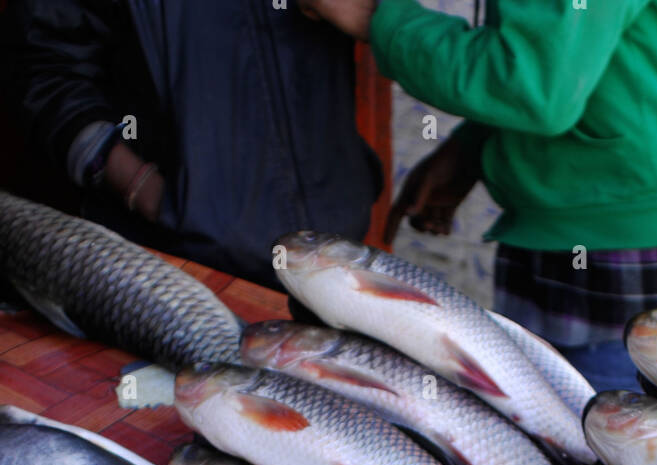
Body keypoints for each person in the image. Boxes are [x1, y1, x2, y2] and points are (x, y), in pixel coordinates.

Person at [300, 0, 657, 393]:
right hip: (598, 218)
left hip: (617, 240)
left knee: (592, 456)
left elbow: (537, 86)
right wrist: (473, 149)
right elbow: (582, 58)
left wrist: (378, 18)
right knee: (556, 432)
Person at [1, 0, 383, 289]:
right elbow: (44, 71)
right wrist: (144, 190)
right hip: (173, 269)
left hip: (336, 261)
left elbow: (393, 27)